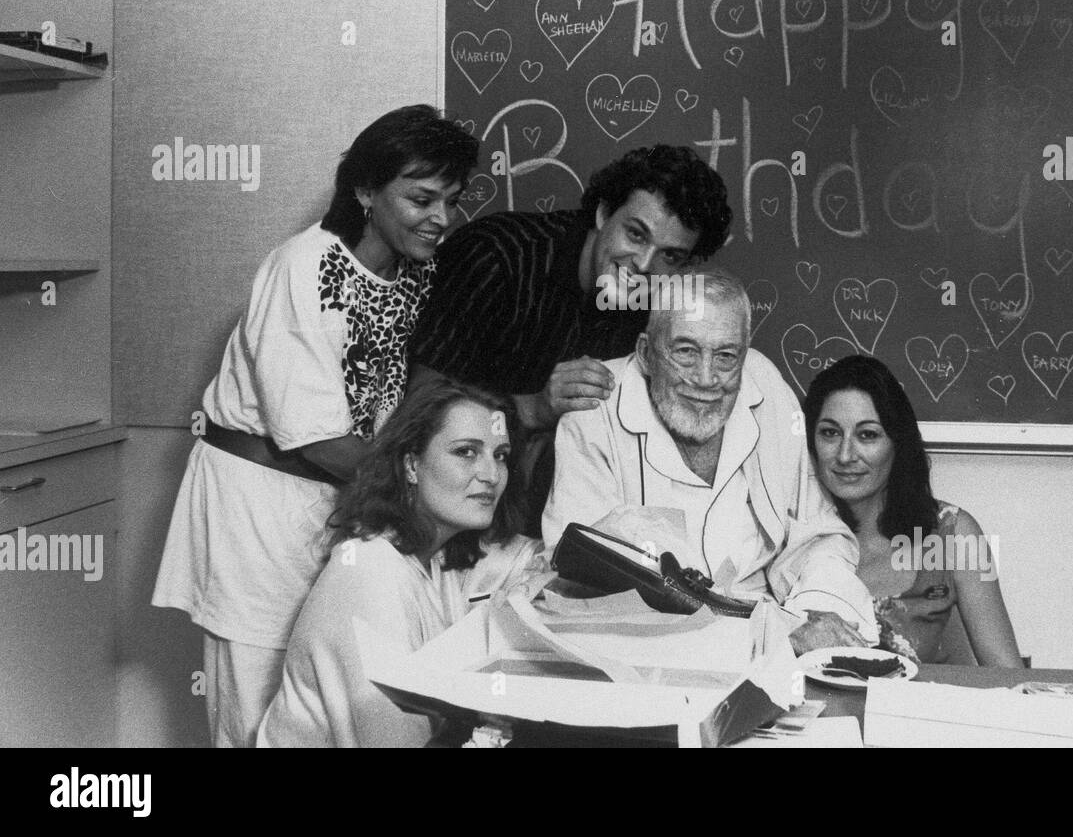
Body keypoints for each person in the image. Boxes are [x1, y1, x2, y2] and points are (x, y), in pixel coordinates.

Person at [152, 105, 480, 747]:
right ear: (364, 191)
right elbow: (314, 435)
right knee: (251, 709)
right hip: (260, 515)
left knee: (313, 711)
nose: (439, 218)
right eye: (420, 198)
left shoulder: (416, 278)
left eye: (450, 200)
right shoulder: (303, 265)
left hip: (342, 508)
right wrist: (424, 491)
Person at [542, 270, 878, 654]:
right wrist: (778, 634)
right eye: (685, 351)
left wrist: (819, 611)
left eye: (725, 356)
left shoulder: (764, 384)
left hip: (777, 638)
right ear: (646, 353)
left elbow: (816, 533)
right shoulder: (593, 412)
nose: (705, 378)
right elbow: (591, 577)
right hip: (643, 652)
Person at [407, 144, 732, 526]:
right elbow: (419, 410)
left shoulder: (652, 304)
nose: (644, 265)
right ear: (602, 212)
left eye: (670, 256)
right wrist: (532, 409)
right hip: (436, 509)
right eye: (635, 234)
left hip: (550, 516)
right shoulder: (498, 256)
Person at [257, 378, 542, 747]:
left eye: (500, 455)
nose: (490, 475)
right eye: (466, 452)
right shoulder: (371, 574)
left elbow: (534, 560)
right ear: (411, 465)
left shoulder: (429, 556)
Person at [804, 355, 1022, 666]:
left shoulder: (954, 534)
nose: (845, 454)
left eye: (867, 435)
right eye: (829, 433)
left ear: (897, 442)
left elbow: (1006, 671)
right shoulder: (790, 530)